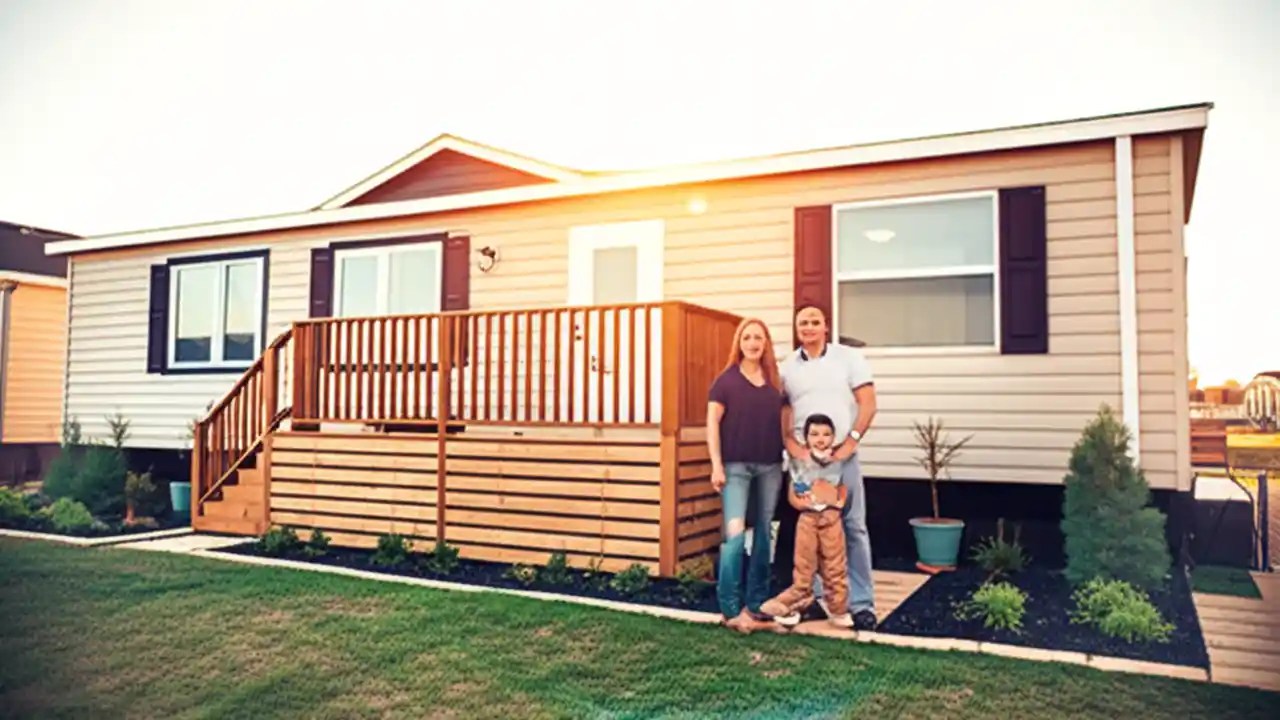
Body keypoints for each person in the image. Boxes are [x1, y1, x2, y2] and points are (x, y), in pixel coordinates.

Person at [779, 304, 879, 630]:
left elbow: (868, 403)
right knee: (812, 532)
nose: (808, 327)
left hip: (842, 459)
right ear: (797, 329)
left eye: (814, 322)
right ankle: (820, 601)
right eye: (802, 323)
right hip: (807, 464)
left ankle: (862, 603)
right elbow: (785, 411)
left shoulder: (848, 359)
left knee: (853, 527)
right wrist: (792, 446)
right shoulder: (788, 367)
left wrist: (849, 442)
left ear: (826, 327)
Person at [707, 317, 785, 633]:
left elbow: (784, 421)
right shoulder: (724, 381)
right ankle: (729, 609)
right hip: (735, 468)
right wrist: (716, 465)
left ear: (765, 343)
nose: (753, 343)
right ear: (739, 342)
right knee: (735, 538)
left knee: (764, 534)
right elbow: (712, 424)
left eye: (759, 338)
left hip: (770, 467)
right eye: (747, 337)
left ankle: (757, 606)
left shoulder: (774, 381)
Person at [760, 413, 854, 628]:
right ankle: (792, 604)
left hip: (831, 518)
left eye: (826, 434)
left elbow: (854, 439)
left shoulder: (839, 457)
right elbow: (787, 437)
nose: (820, 439)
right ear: (806, 438)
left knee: (835, 565)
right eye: (814, 434)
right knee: (803, 565)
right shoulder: (798, 459)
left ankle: (839, 610)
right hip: (808, 519)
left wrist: (837, 501)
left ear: (833, 437)